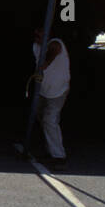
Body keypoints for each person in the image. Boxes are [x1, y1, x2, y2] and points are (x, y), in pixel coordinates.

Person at [31, 29, 70, 168]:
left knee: (50, 120)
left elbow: (53, 51)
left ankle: (59, 156)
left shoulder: (55, 43)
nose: (37, 38)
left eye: (40, 34)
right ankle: (50, 151)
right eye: (35, 35)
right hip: (44, 91)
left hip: (58, 91)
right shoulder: (36, 47)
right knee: (42, 118)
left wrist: (45, 63)